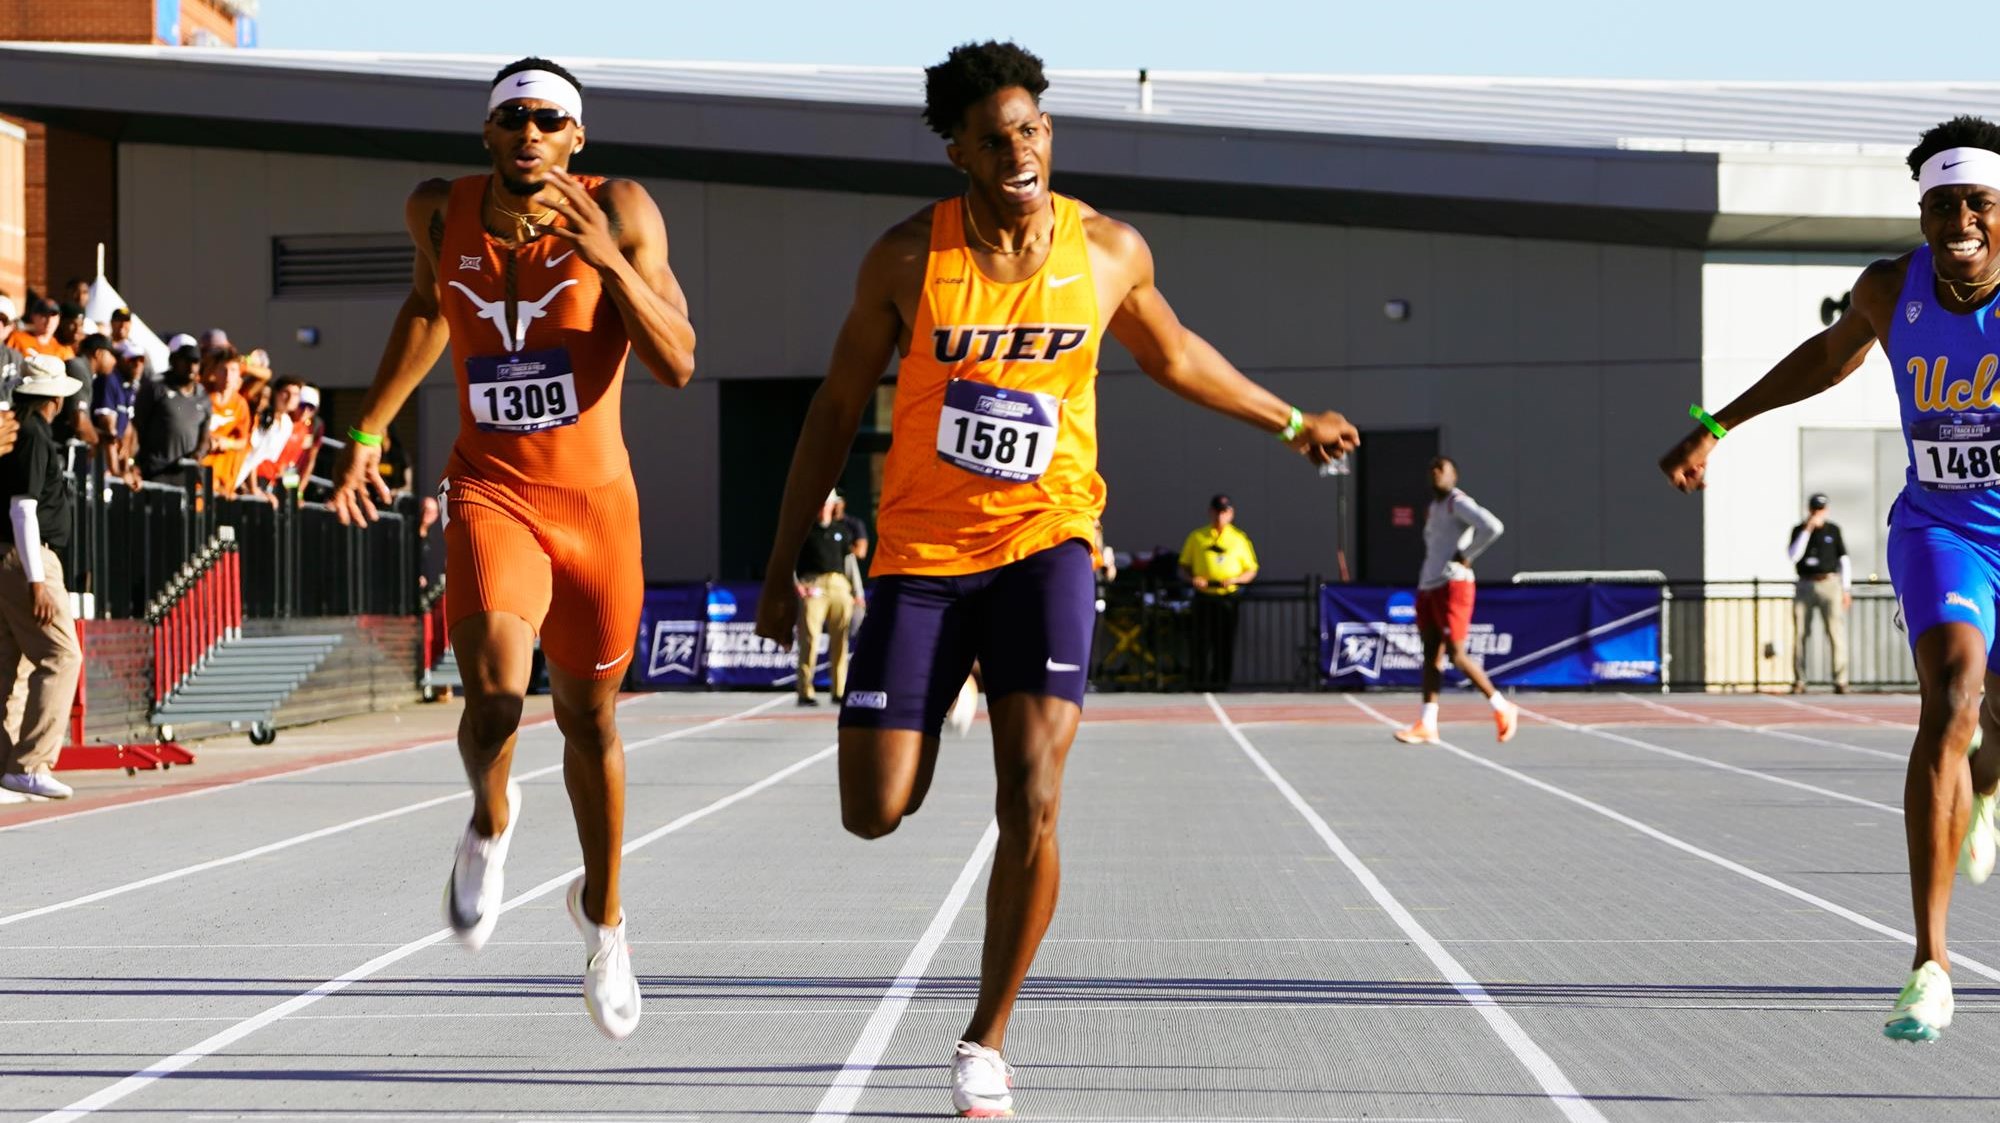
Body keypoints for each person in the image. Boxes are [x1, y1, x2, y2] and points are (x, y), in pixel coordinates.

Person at [751, 40, 1358, 1117]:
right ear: (957, 154)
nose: (1020, 149)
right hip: (924, 561)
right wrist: (779, 561)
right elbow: (835, 410)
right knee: (874, 809)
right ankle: (944, 694)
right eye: (994, 138)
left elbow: (1171, 355)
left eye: (1031, 127)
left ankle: (984, 1038)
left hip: (1049, 541)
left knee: (1033, 791)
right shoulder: (902, 261)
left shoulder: (1108, 248)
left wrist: (1286, 422)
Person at [327, 56, 695, 1040]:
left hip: (597, 512)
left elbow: (678, 361)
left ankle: (604, 922)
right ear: (487, 135)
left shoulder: (619, 209)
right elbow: (423, 312)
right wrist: (368, 435)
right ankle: (490, 820)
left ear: (577, 140)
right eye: (513, 119)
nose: (530, 133)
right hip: (492, 493)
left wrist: (608, 261)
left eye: (550, 121)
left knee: (589, 725)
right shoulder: (436, 212)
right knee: (493, 694)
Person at [1659, 114, 2000, 1043]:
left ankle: (1987, 784)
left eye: (1979, 203)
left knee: (1989, 723)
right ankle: (1930, 964)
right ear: (1922, 213)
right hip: (1944, 532)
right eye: (1941, 207)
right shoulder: (1893, 290)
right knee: (1954, 694)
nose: (1959, 223)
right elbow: (1827, 356)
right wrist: (1717, 423)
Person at [0, 355, 84, 802]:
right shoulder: (33, 434)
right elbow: (24, 508)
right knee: (62, 657)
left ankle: (4, 768)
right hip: (26, 559)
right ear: (56, 397)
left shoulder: (13, 430)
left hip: (6, 558)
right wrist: (36, 580)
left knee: (6, 664)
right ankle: (30, 764)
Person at [1391, 457, 1516, 745]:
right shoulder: (1433, 508)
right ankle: (1428, 723)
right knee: (1430, 656)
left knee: (1457, 655)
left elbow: (1492, 526)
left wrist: (1466, 554)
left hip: (1453, 585)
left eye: (1441, 469)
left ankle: (1502, 706)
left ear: (1454, 476)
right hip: (1429, 586)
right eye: (1432, 469)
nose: (1435, 473)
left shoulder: (1457, 501)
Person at [1178, 493, 1258, 690]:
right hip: (1204, 597)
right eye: (1216, 511)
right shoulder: (1197, 537)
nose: (1219, 516)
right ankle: (1199, 684)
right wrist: (1193, 579)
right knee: (1200, 643)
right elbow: (1183, 566)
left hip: (1227, 598)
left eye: (1224, 512)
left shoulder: (1239, 539)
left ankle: (1221, 684)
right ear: (1210, 512)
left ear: (1230, 514)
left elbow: (1251, 569)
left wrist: (1235, 580)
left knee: (1224, 644)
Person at [793, 489, 857, 706]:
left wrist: (856, 591)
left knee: (841, 639)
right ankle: (805, 690)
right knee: (810, 638)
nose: (822, 508)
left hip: (839, 585)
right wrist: (799, 586)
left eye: (826, 504)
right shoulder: (805, 532)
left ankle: (839, 690)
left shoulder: (842, 531)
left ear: (832, 506)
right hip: (814, 585)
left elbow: (850, 564)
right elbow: (790, 560)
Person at [1789, 492, 1852, 693]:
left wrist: (1846, 589)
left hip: (1829, 583)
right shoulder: (1799, 530)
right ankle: (1800, 680)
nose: (1818, 513)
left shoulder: (1833, 531)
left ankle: (1840, 679)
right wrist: (1807, 529)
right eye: (1815, 509)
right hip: (1805, 583)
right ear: (1809, 510)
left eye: (1821, 509)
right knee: (1800, 633)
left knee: (1835, 632)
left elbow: (1844, 560)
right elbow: (1793, 555)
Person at [133, 343, 210, 483]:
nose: (191, 367)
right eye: (186, 361)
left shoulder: (203, 397)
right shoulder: (156, 388)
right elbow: (136, 426)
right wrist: (135, 463)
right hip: (154, 472)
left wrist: (198, 454)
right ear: (174, 361)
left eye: (195, 362)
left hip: (185, 474)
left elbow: (205, 437)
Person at [238, 376, 303, 501]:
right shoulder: (264, 417)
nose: (290, 398)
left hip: (262, 481)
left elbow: (287, 464)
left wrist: (294, 494)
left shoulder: (287, 424)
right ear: (276, 393)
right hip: (240, 476)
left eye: (295, 394)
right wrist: (252, 487)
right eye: (286, 392)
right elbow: (251, 453)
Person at [198, 347, 251, 496]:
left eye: (233, 370)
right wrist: (209, 439)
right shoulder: (203, 396)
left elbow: (243, 441)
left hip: (221, 480)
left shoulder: (240, 404)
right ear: (215, 372)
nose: (228, 375)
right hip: (198, 472)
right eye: (223, 370)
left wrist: (226, 443)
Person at [95, 341, 146, 482]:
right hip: (98, 461)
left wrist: (128, 467)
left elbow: (128, 430)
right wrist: (117, 472)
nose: (138, 364)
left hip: (113, 461)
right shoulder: (109, 379)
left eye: (142, 359)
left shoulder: (131, 387)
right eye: (132, 359)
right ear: (120, 360)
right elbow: (108, 429)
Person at [7, 299, 70, 363]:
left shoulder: (63, 349)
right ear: (33, 316)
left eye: (53, 316)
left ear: (59, 319)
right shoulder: (17, 339)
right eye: (44, 316)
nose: (49, 321)